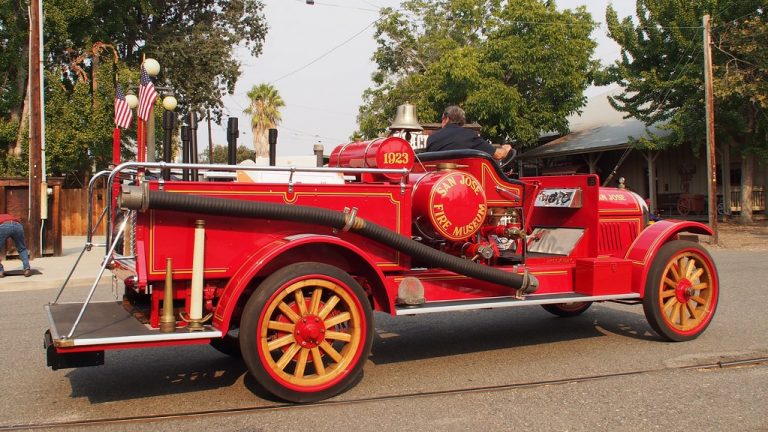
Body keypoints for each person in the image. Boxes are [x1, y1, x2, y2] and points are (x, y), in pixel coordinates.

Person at [426, 105, 512, 161]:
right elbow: (498, 155)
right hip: (464, 182)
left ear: (447, 119)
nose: (442, 122)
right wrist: (506, 148)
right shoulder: (470, 136)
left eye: (442, 119)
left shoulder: (432, 138)